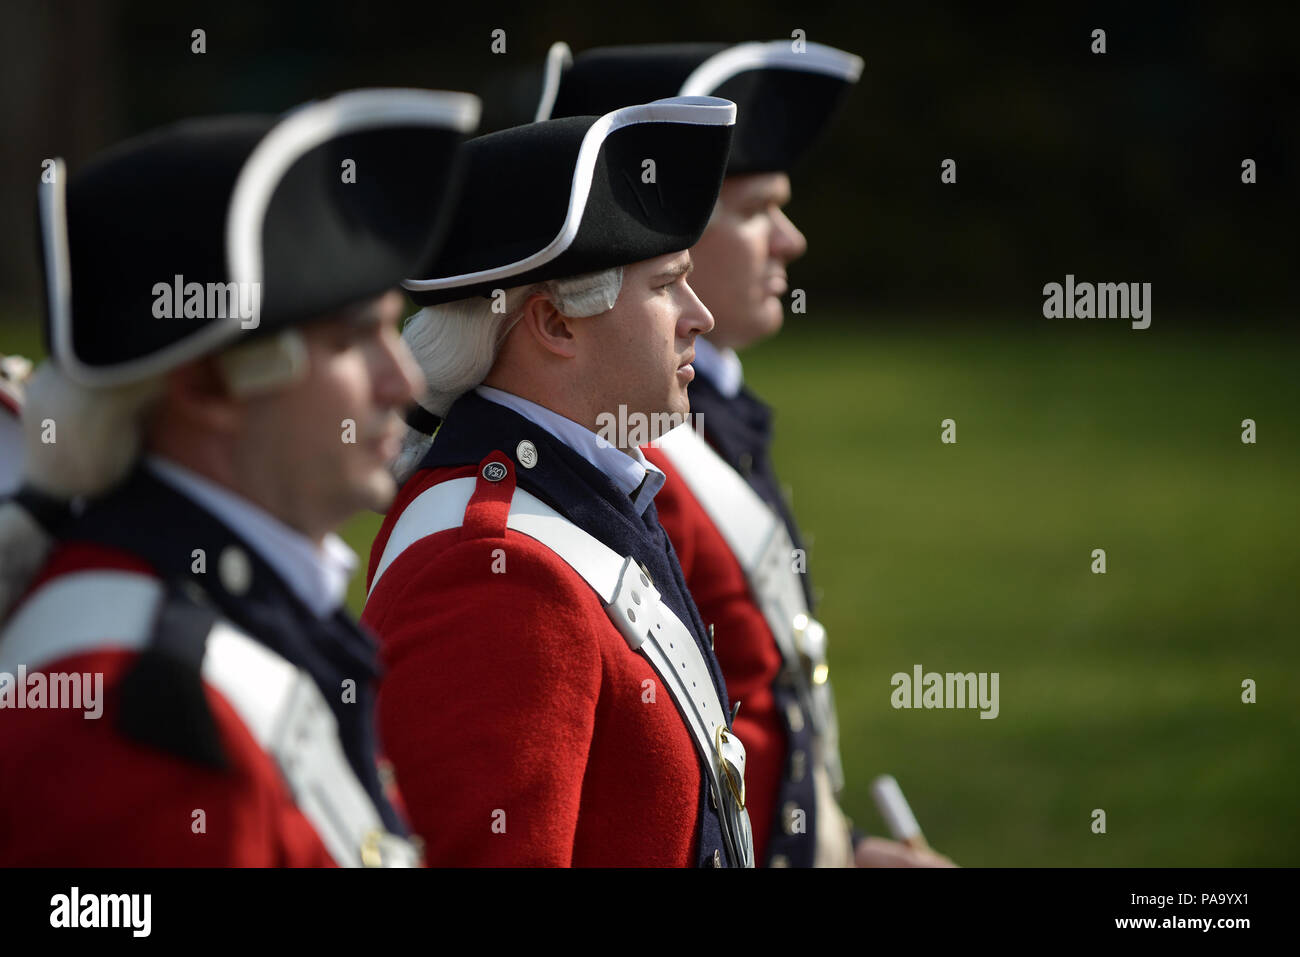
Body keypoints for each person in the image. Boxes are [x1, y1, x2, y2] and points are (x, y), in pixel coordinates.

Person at [0, 88, 478, 866]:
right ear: (208, 388)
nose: (403, 376)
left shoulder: (231, 629)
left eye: (394, 327)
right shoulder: (135, 711)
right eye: (354, 339)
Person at [540, 41, 955, 867]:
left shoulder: (711, 418)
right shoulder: (628, 440)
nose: (791, 240)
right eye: (757, 208)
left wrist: (844, 849)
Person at [363, 96, 755, 866]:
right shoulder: (492, 569)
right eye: (665, 285)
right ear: (555, 324)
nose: (698, 315)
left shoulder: (585, 500)